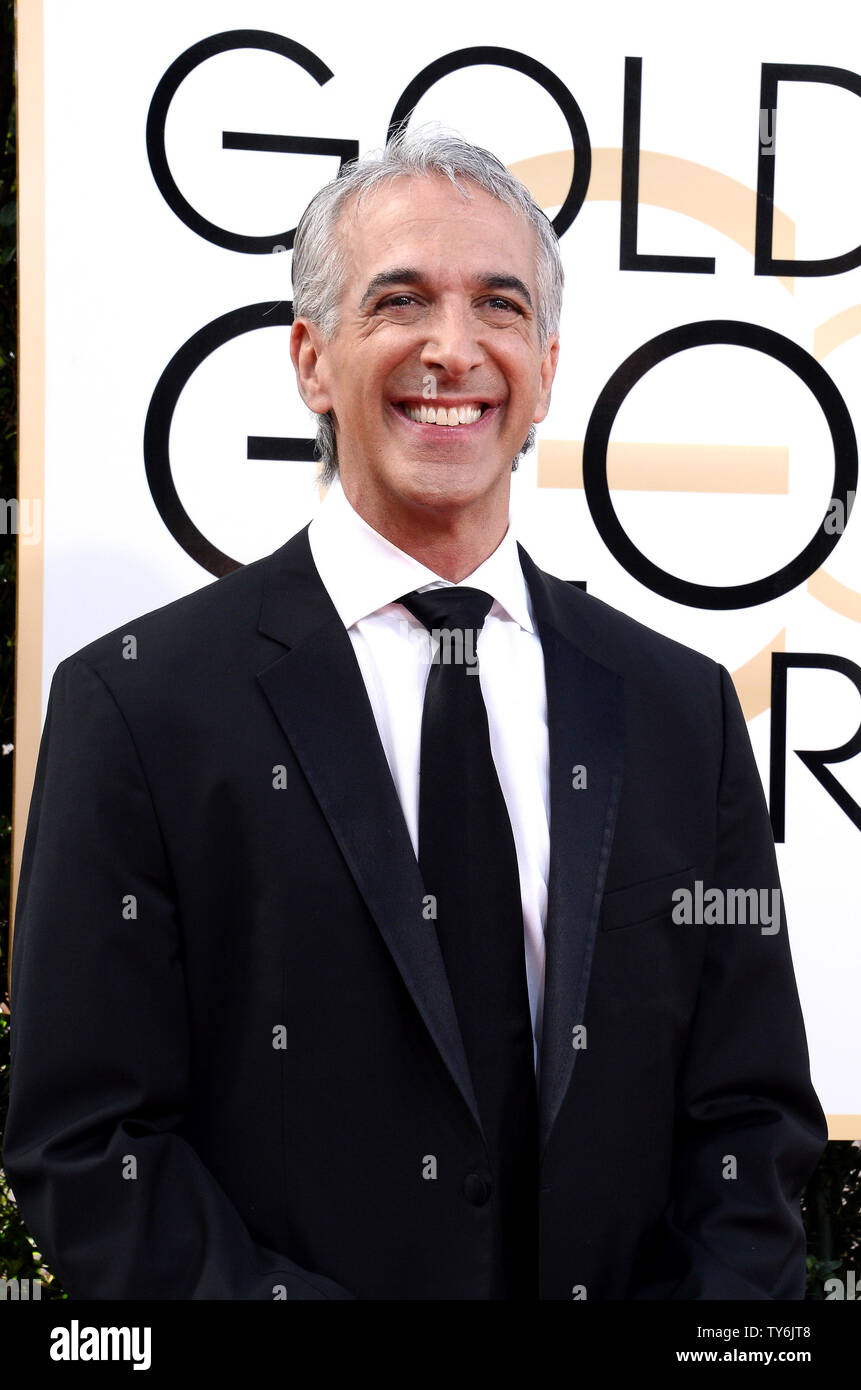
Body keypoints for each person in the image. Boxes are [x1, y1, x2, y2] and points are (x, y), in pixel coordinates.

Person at [3, 126, 827, 1300]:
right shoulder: (137, 703)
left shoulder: (678, 711)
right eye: (400, 301)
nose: (454, 349)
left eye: (498, 306)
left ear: (544, 364)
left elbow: (749, 1118)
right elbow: (90, 1148)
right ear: (311, 360)